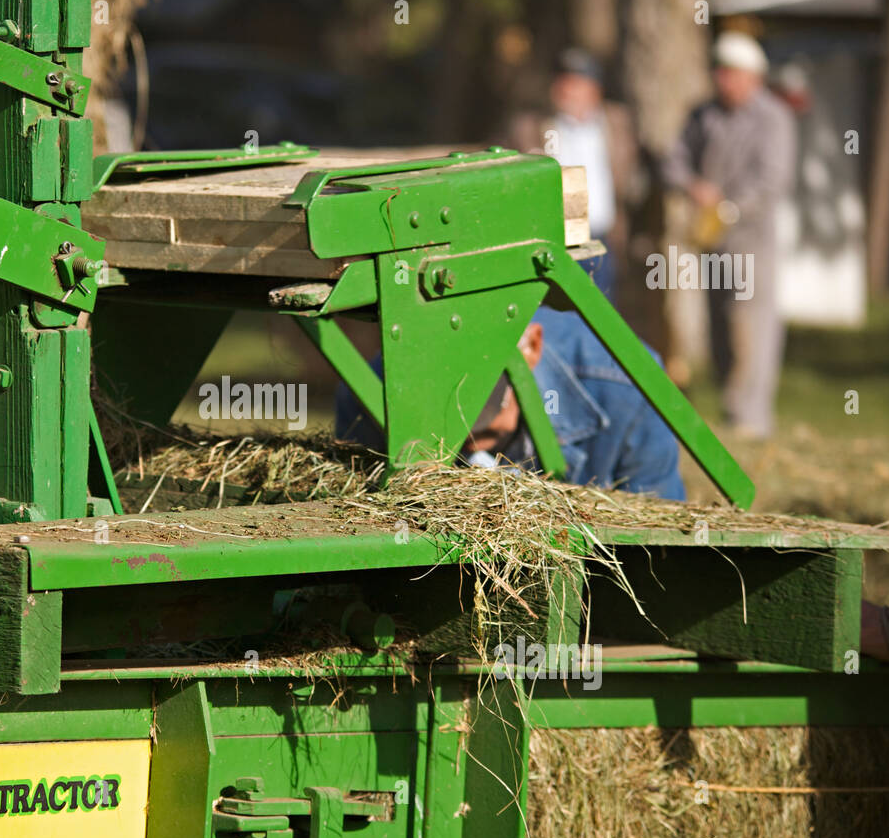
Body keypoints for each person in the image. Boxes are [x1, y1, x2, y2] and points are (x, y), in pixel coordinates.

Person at [335, 305, 686, 501]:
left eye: (485, 425)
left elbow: (660, 545)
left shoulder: (629, 390)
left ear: (531, 348)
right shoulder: (370, 397)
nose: (468, 446)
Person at [663, 31, 797, 440]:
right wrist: (692, 186)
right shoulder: (702, 114)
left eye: (733, 73)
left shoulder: (773, 117)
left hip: (752, 241)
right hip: (712, 240)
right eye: (720, 72)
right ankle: (729, 408)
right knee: (719, 324)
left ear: (754, 77)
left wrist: (730, 206)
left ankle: (752, 418)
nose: (725, 81)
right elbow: (673, 161)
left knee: (751, 327)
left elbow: (773, 179)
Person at [508, 48, 639, 302]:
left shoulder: (616, 123)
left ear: (594, 89)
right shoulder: (532, 127)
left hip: (604, 239)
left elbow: (631, 173)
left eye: (574, 83)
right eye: (561, 81)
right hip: (556, 242)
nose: (565, 90)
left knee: (603, 315)